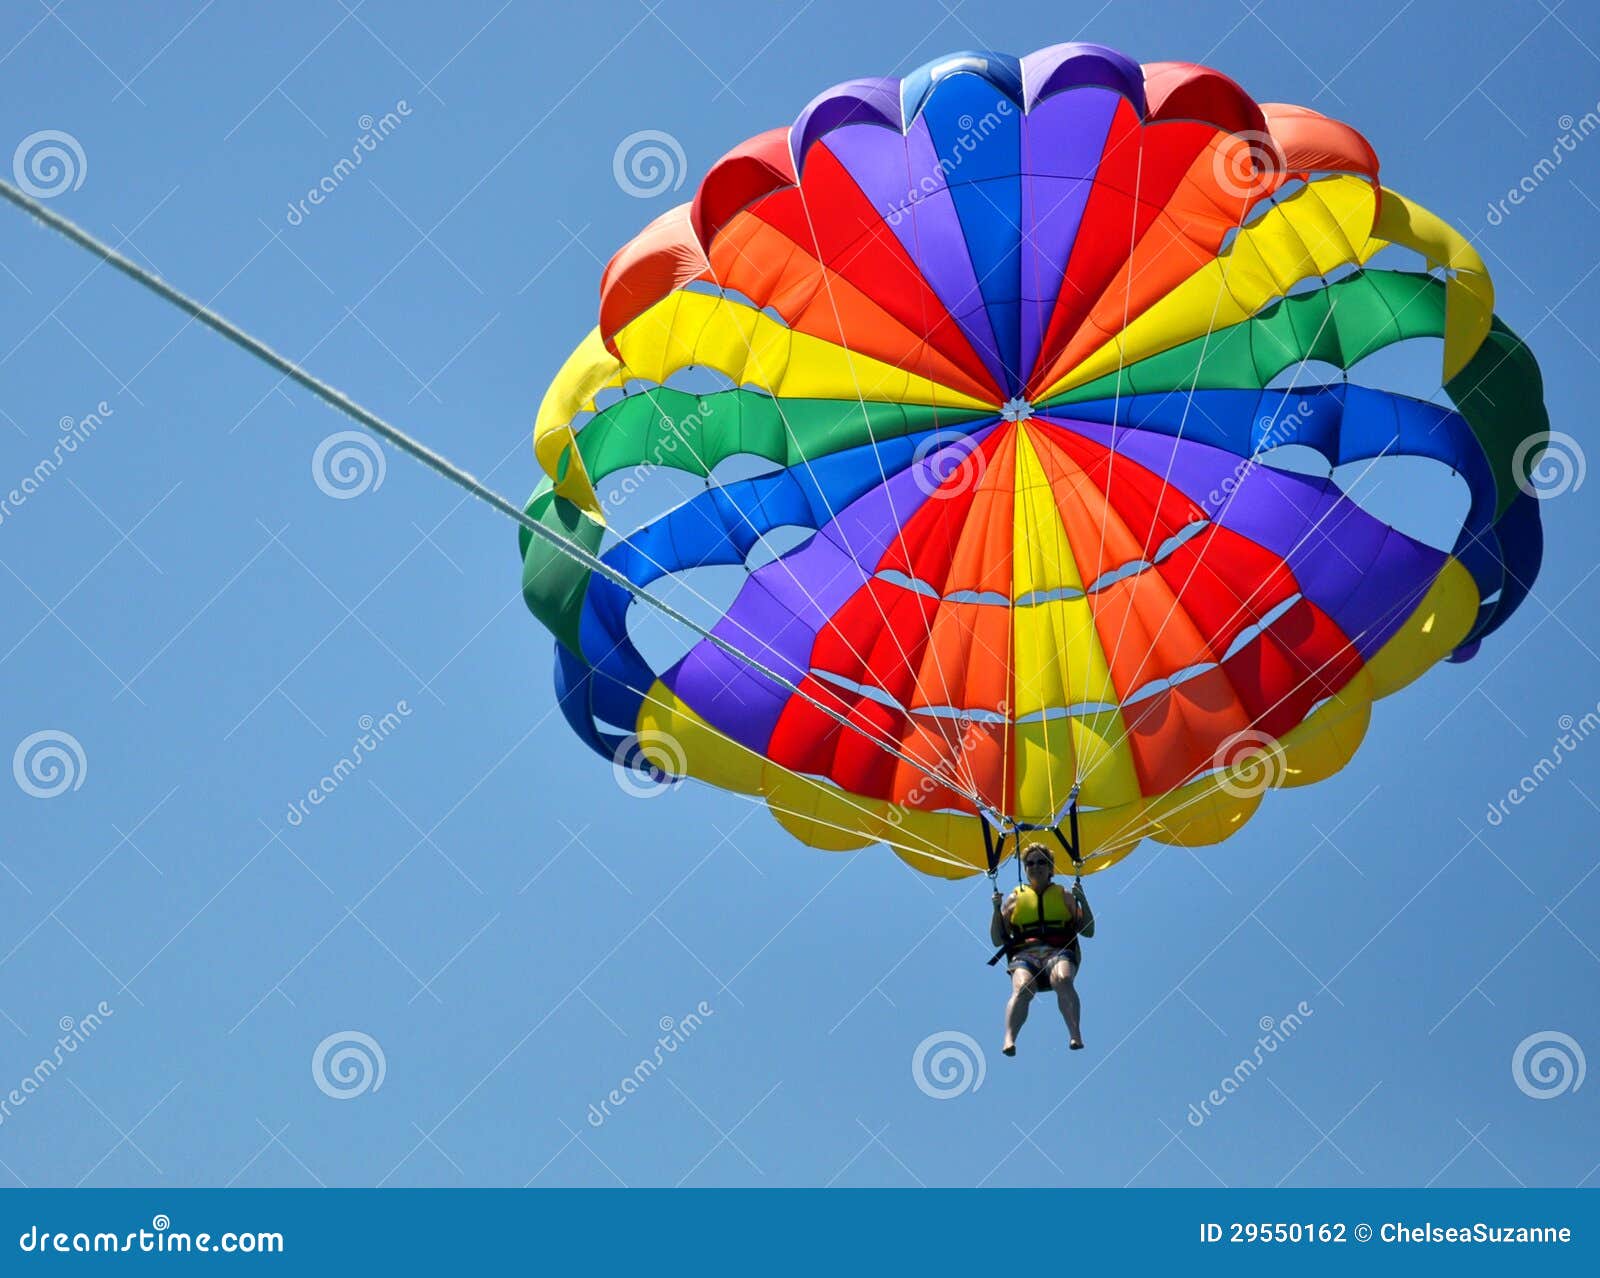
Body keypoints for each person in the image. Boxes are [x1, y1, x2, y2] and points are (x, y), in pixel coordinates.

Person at [990, 844, 1094, 1055]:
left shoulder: (1064, 894)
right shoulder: (1014, 898)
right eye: (1030, 863)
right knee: (1023, 988)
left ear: (1050, 868)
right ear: (1025, 868)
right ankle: (1009, 1039)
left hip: (1059, 951)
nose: (1035, 866)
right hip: (1025, 955)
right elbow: (996, 940)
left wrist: (1082, 899)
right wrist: (995, 909)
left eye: (1041, 862)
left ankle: (1075, 1034)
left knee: (1062, 979)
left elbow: (1088, 931)